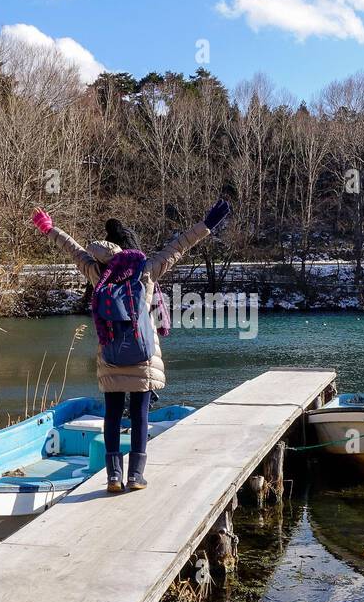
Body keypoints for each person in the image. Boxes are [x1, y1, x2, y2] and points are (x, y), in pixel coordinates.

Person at [31, 200, 230, 492]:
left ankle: (113, 476)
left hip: (111, 358)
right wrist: (207, 225)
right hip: (142, 357)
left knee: (112, 415)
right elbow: (179, 246)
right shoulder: (145, 272)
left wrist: (49, 229)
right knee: (140, 416)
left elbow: (72, 249)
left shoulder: (97, 275)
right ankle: (136, 476)